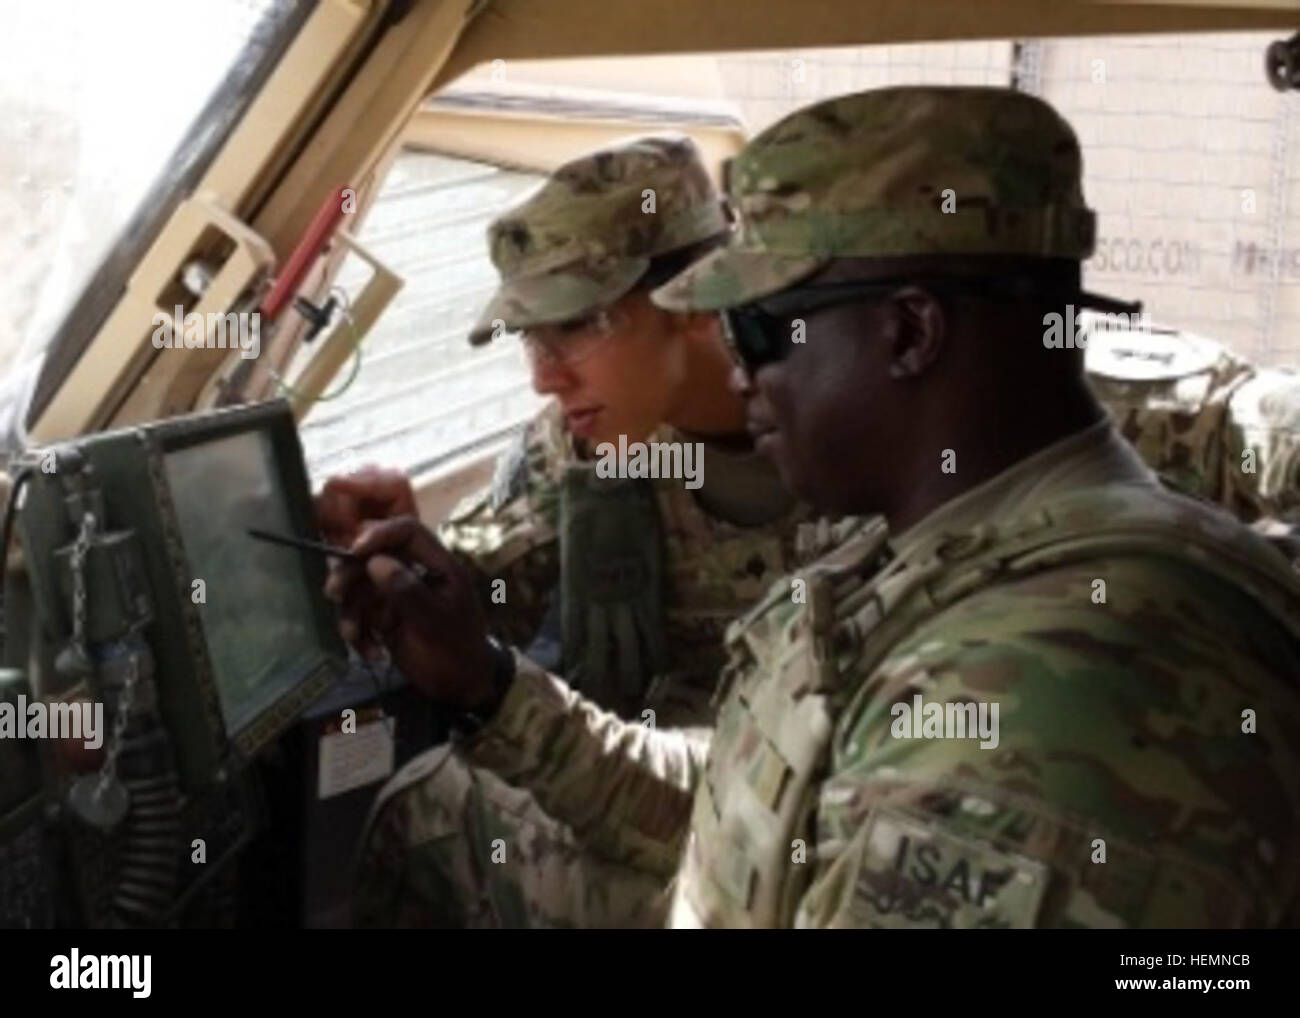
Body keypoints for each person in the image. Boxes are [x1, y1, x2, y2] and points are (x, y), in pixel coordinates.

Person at [333, 85, 1300, 928]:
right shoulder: (915, 555)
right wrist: (476, 662)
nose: (736, 356)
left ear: (912, 332)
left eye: (755, 323)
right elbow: (750, 795)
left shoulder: (1023, 681)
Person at [319, 135, 817, 927]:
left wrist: (493, 692)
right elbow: (504, 564)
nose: (543, 376)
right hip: (674, 759)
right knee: (423, 803)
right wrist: (408, 561)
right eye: (528, 336)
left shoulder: (859, 438)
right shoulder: (587, 445)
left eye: (576, 326)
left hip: (802, 818)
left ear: (696, 295)